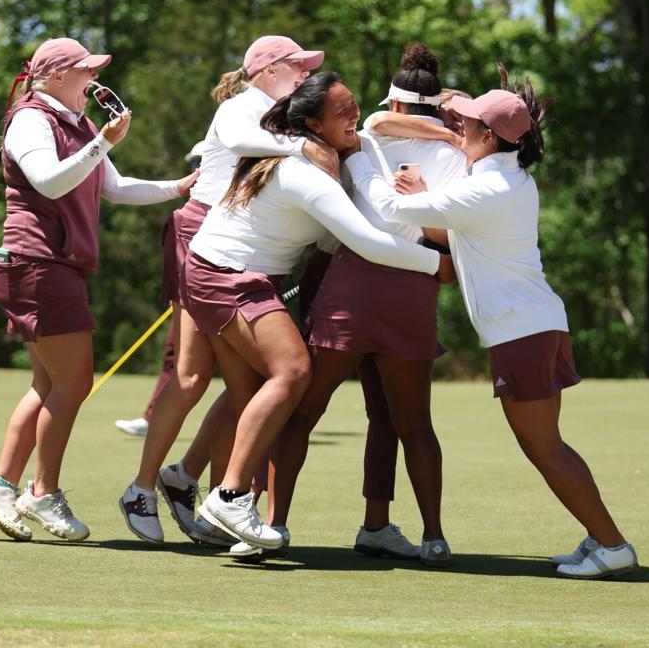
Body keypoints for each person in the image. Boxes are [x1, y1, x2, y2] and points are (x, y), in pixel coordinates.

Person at [343, 81, 639, 580]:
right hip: (535, 325)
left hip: (522, 331)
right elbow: (450, 230)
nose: (458, 125)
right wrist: (429, 193)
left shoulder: (485, 188)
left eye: (468, 122)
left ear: (488, 137)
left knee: (545, 448)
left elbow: (391, 209)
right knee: (549, 444)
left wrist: (357, 159)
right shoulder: (505, 178)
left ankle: (613, 545)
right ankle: (600, 536)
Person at [186, 71, 452, 550]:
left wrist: (449, 128)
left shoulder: (316, 152)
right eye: (342, 111)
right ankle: (229, 496)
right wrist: (438, 264)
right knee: (292, 372)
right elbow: (368, 242)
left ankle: (214, 510)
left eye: (354, 104)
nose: (355, 115)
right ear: (312, 124)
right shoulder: (304, 171)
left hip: (223, 271)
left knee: (253, 395)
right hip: (229, 275)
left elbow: (377, 125)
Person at [0, 37, 198, 541]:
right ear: (55, 77)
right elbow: (49, 182)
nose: (94, 78)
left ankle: (1, 484)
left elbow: (113, 187)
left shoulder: (78, 123)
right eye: (85, 70)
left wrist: (178, 187)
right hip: (39, 263)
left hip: (52, 265)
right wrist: (104, 143)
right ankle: (41, 493)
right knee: (73, 385)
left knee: (48, 385)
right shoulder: (32, 119)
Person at [119, 36, 337, 544]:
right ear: (267, 71)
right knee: (192, 375)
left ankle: (199, 485)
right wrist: (305, 145)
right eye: (298, 66)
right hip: (203, 235)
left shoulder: (281, 114)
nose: (306, 74)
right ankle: (144, 488)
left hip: (239, 247)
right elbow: (241, 141)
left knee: (249, 384)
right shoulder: (242, 107)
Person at [260, 44, 465, 567]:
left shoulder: (364, 137)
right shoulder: (458, 155)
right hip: (413, 291)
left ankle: (273, 524)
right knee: (409, 422)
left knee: (303, 412)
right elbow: (450, 238)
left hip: (351, 287)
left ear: (394, 103)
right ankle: (428, 535)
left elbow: (375, 121)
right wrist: (450, 135)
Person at [114, 141, 206, 438]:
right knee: (173, 355)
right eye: (192, 164)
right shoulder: (188, 209)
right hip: (189, 297)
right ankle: (152, 417)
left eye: (200, 162)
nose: (196, 169)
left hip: (215, 296)